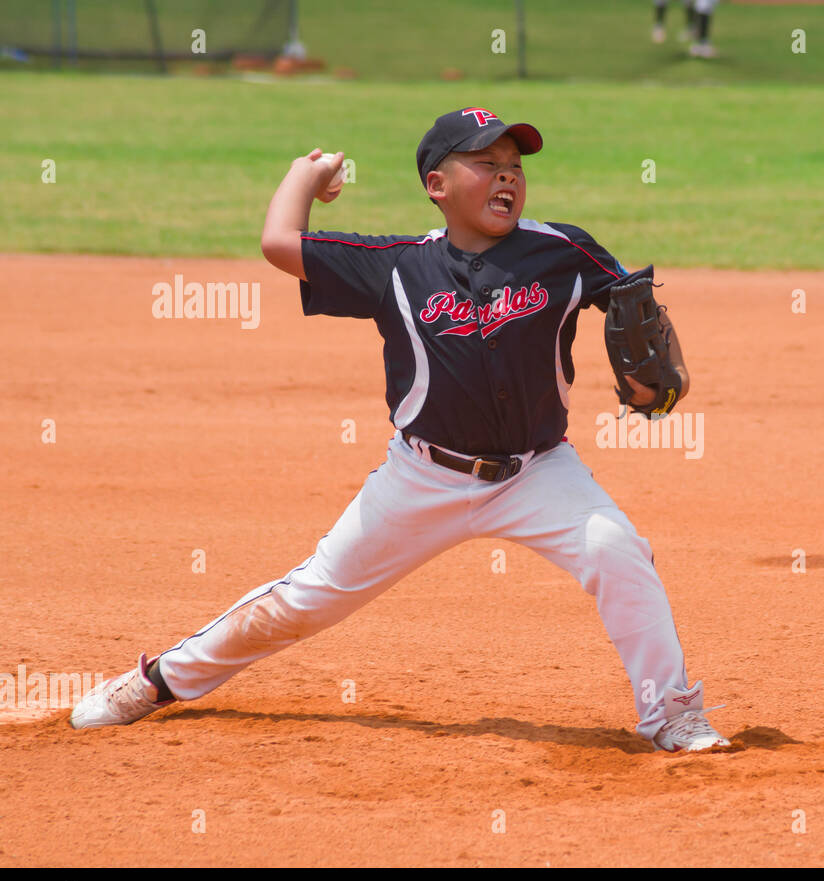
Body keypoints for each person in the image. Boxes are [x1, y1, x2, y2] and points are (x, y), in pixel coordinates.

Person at [69, 107, 732, 755]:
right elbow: (280, 244)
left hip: (540, 472)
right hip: (422, 477)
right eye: (486, 164)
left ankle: (671, 714)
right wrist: (309, 175)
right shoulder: (395, 265)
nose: (507, 177)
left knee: (618, 551)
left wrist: (654, 383)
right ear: (436, 186)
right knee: (307, 600)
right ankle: (158, 681)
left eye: (515, 166)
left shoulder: (561, 251)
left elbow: (632, 315)